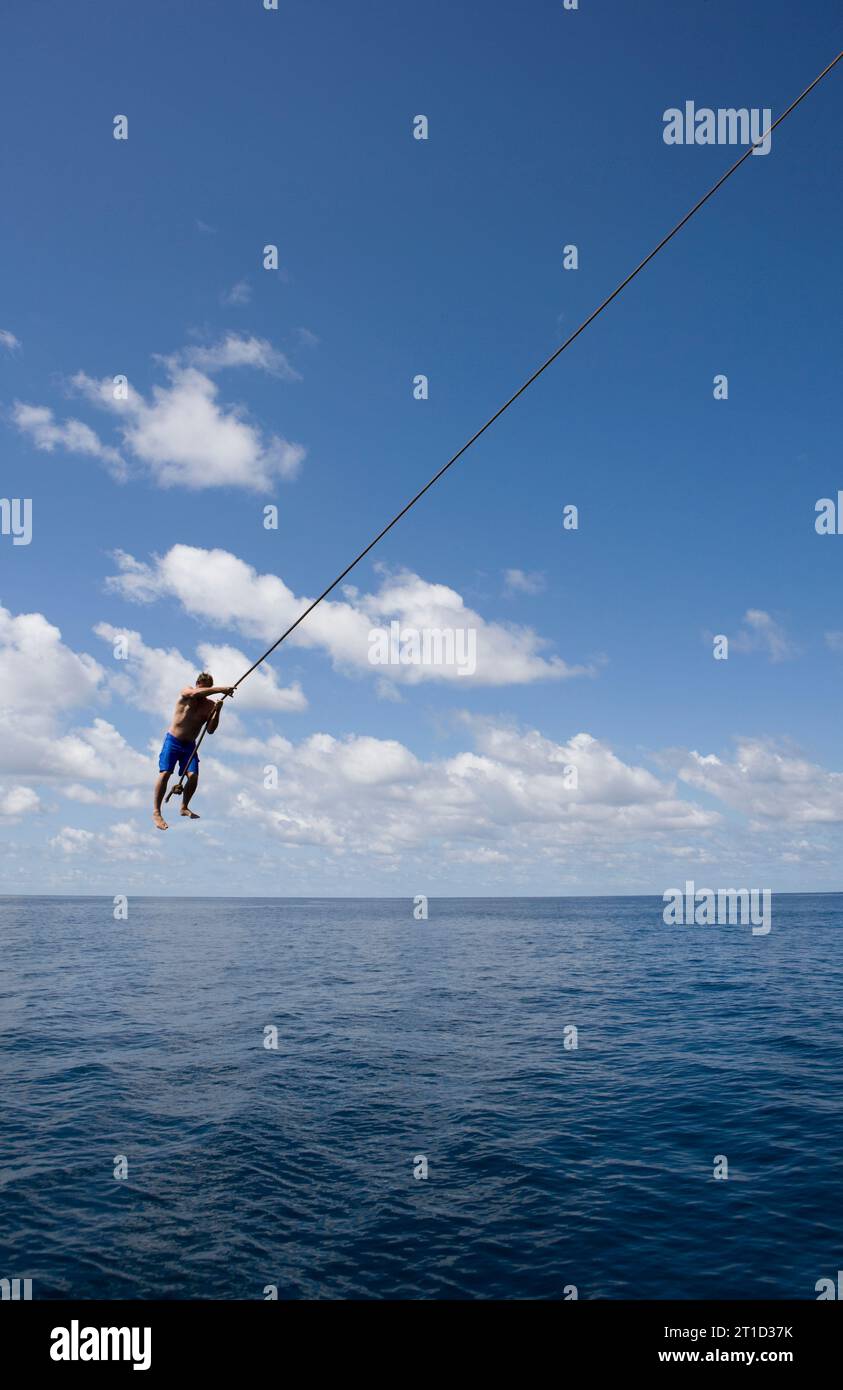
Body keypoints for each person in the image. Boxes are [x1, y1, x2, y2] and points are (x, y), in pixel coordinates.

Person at [153, 673, 233, 830]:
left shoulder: (209, 705)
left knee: (194, 777)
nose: (205, 691)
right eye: (204, 687)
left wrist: (217, 711)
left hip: (190, 746)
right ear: (197, 684)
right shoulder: (187, 692)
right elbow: (195, 693)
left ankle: (184, 807)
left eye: (208, 687)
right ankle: (156, 812)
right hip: (173, 741)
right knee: (165, 774)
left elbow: (210, 730)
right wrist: (222, 689)